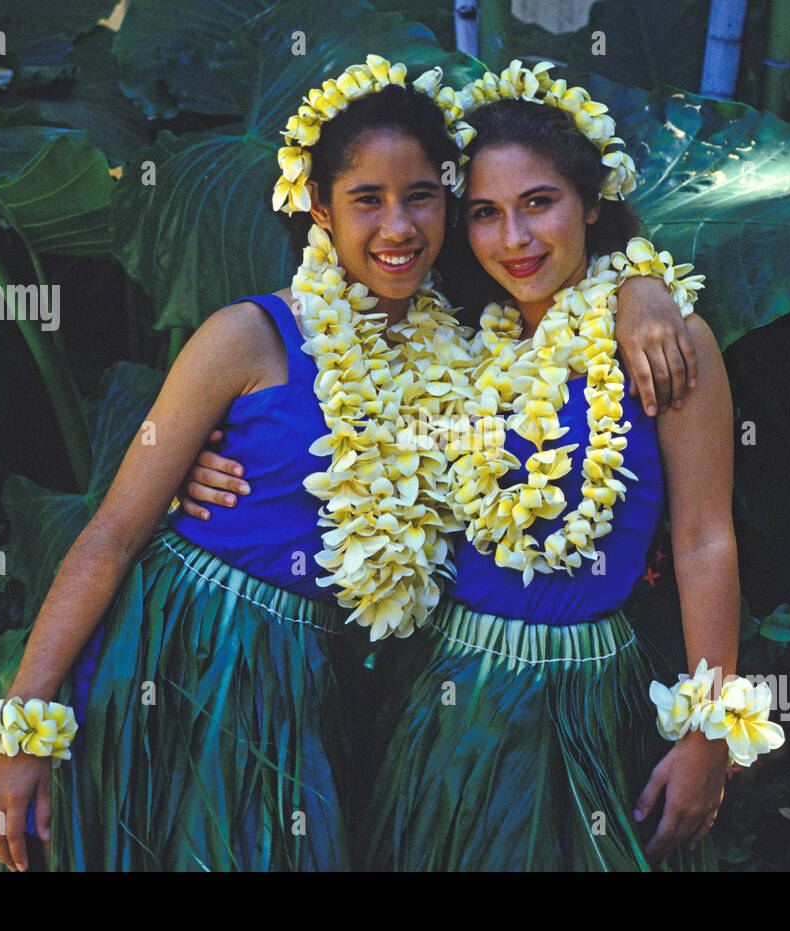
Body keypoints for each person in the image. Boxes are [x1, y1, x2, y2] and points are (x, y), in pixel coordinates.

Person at [185, 63, 741, 871]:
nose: (514, 240)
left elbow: (704, 539)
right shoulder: (452, 339)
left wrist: (708, 730)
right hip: (440, 699)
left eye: (539, 204)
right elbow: (321, 432)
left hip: (585, 696)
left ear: (592, 202)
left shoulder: (662, 341)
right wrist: (198, 470)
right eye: (483, 213)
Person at [0, 63, 472, 872]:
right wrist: (18, 733)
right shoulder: (250, 336)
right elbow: (113, 534)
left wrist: (649, 294)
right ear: (317, 207)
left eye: (421, 195)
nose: (398, 226)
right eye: (365, 200)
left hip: (314, 687)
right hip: (176, 655)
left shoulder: (468, 353)